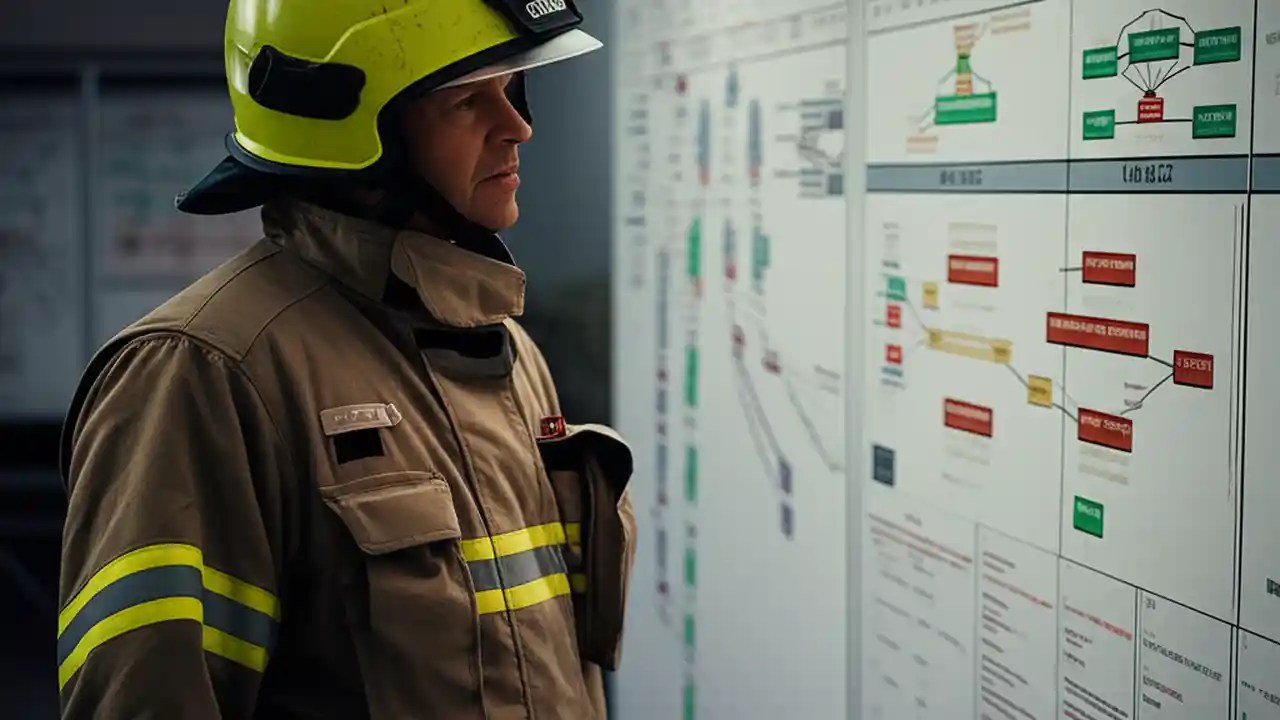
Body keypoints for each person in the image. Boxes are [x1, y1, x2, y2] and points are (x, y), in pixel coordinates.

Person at [54, 0, 635, 717]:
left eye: (511, 86)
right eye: (465, 100)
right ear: (356, 135)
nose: (518, 126)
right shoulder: (202, 372)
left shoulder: (505, 349)